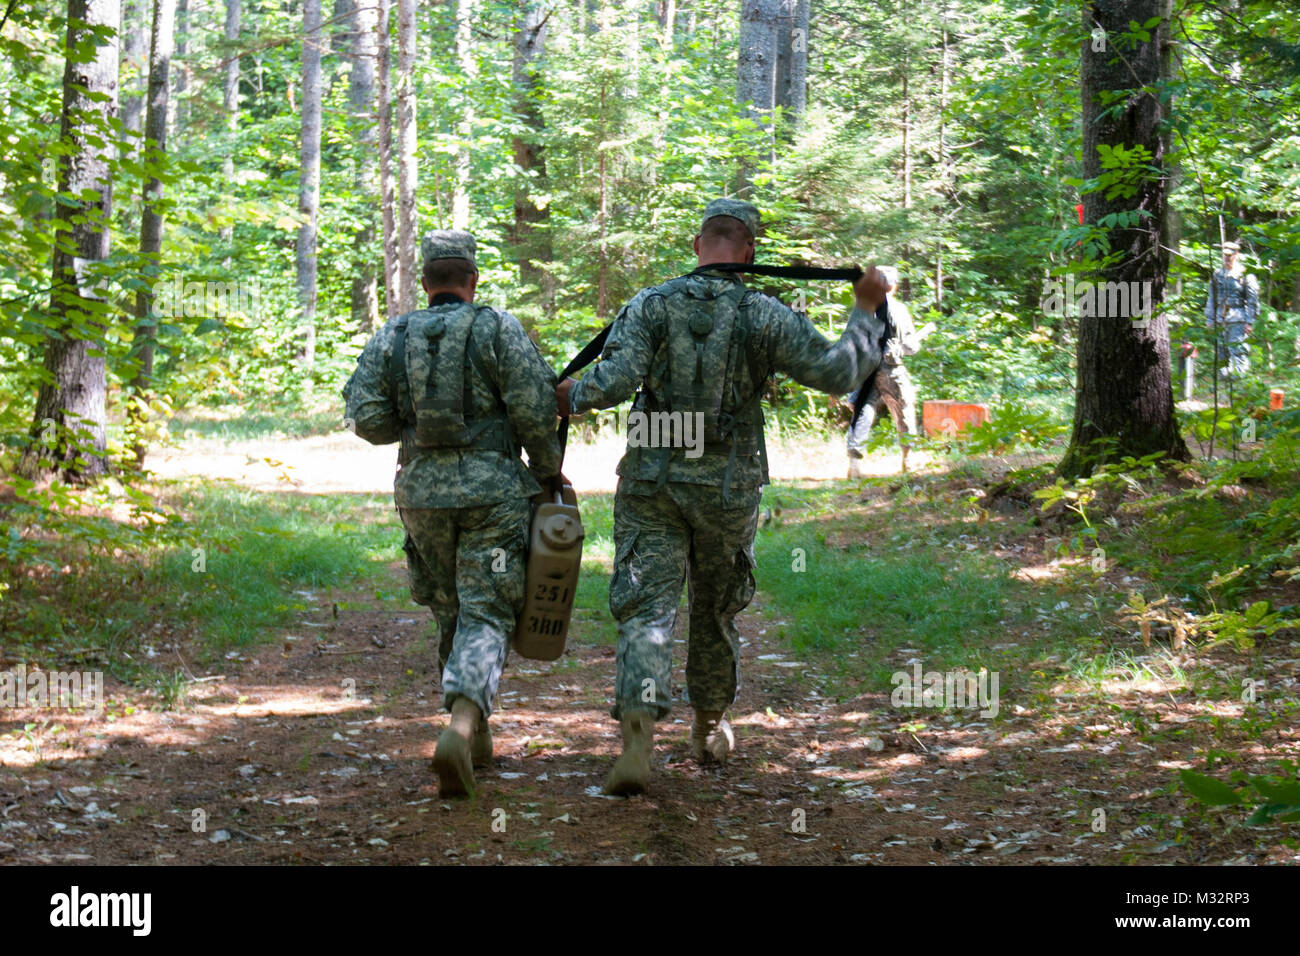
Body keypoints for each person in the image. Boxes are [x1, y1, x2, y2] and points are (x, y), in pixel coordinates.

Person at [555, 198, 889, 795]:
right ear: (750, 252)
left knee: (646, 606)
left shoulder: (649, 305)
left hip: (652, 482)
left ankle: (637, 739)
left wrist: (564, 394)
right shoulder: (765, 314)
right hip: (729, 484)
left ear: (697, 246)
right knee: (716, 607)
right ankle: (708, 726)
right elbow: (840, 373)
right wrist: (866, 308)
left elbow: (608, 384)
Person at [343, 230, 563, 797]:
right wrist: (545, 469)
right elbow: (536, 408)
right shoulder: (496, 327)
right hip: (492, 493)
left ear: (425, 282)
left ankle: (478, 735)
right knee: (487, 607)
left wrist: (413, 429)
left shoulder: (392, 334)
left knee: (449, 608)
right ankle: (461, 726)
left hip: (421, 492)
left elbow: (366, 418)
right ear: (472, 280)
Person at [845, 266, 931, 476]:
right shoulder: (898, 310)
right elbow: (911, 346)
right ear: (893, 286)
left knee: (863, 411)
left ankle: (854, 465)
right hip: (890, 369)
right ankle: (908, 459)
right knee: (904, 408)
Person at [1204, 241, 1259, 381]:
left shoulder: (1245, 275)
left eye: (1230, 254)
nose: (1227, 257)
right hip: (1220, 318)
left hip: (1238, 318)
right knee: (1221, 352)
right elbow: (1212, 298)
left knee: (1237, 351)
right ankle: (1223, 385)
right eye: (1225, 254)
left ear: (1237, 254)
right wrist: (1210, 320)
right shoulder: (1217, 275)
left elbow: (1252, 299)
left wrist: (1250, 321)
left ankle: (1238, 384)